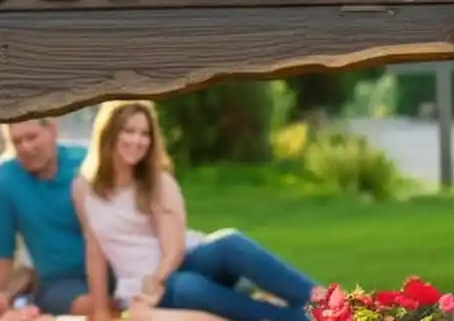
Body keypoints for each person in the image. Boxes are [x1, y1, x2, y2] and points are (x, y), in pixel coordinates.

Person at [73, 100, 323, 321]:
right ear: (108, 134)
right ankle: (301, 318)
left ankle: (336, 306)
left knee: (231, 242)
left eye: (144, 134)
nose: (137, 141)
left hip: (175, 267)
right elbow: (95, 251)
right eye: (128, 131)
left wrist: (154, 282)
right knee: (186, 288)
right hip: (142, 286)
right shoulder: (83, 189)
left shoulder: (157, 182)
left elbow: (174, 251)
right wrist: (101, 310)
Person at [0, 118, 108, 321]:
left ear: (53, 130)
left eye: (32, 137)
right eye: (17, 142)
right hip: (58, 283)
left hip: (109, 270)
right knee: (93, 306)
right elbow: (1, 251)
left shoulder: (84, 163)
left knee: (119, 302)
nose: (26, 147)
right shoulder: (5, 179)